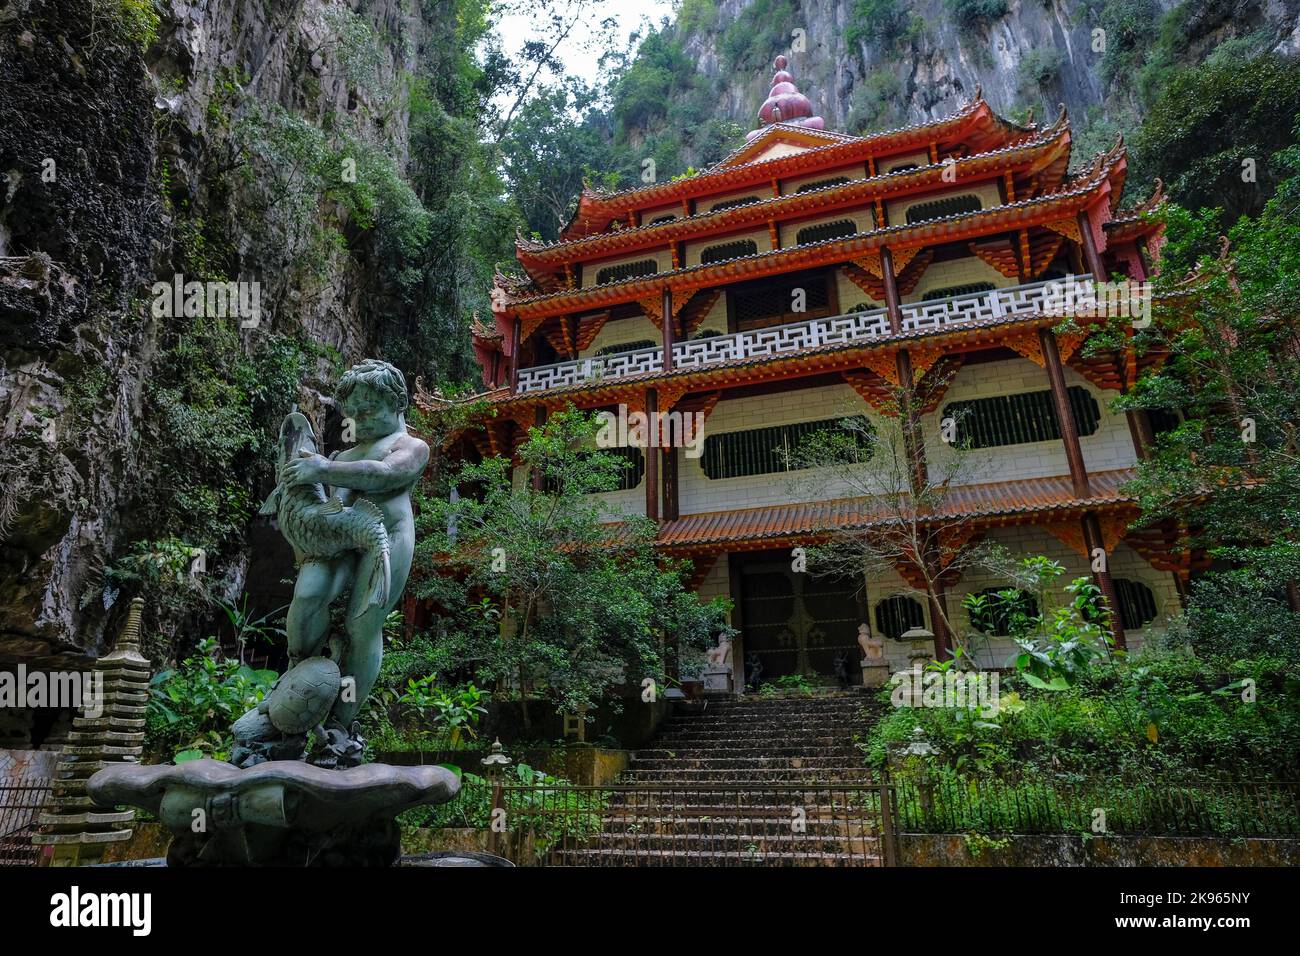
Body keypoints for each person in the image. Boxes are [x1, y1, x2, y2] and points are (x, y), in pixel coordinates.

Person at [277, 359, 429, 731]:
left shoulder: (410, 446)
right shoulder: (344, 455)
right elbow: (335, 506)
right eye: (354, 414)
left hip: (388, 536)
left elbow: (386, 475)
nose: (361, 421)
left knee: (361, 625)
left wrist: (323, 470)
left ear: (397, 404)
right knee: (308, 596)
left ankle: (341, 724)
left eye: (370, 410)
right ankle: (298, 674)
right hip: (344, 534)